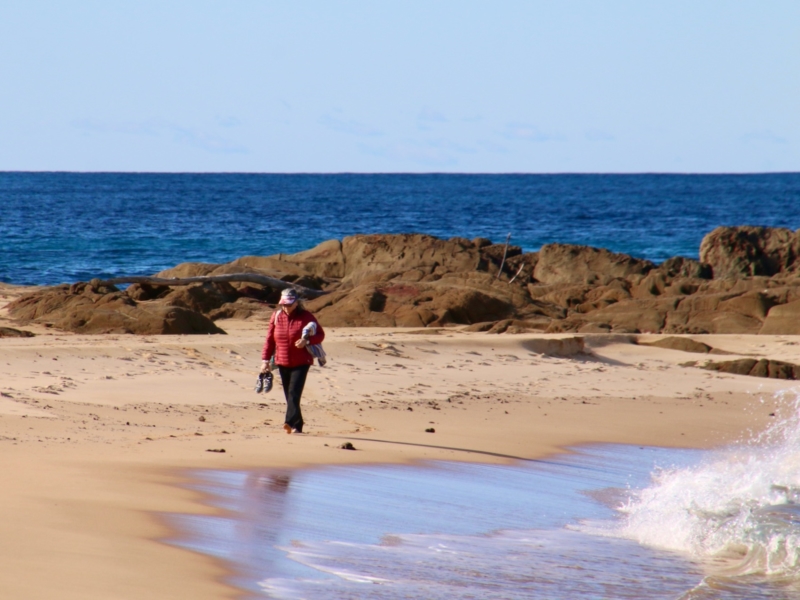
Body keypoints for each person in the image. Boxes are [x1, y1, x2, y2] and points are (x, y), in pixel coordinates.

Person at [261, 288, 325, 434]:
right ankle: (298, 424)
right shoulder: (276, 316)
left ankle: (288, 422)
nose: (286, 307)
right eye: (283, 304)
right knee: (289, 396)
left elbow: (320, 335)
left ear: (296, 303)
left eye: (289, 304)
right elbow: (270, 340)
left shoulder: (307, 317)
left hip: (302, 361)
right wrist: (265, 360)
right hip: (282, 361)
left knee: (294, 393)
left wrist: (306, 341)